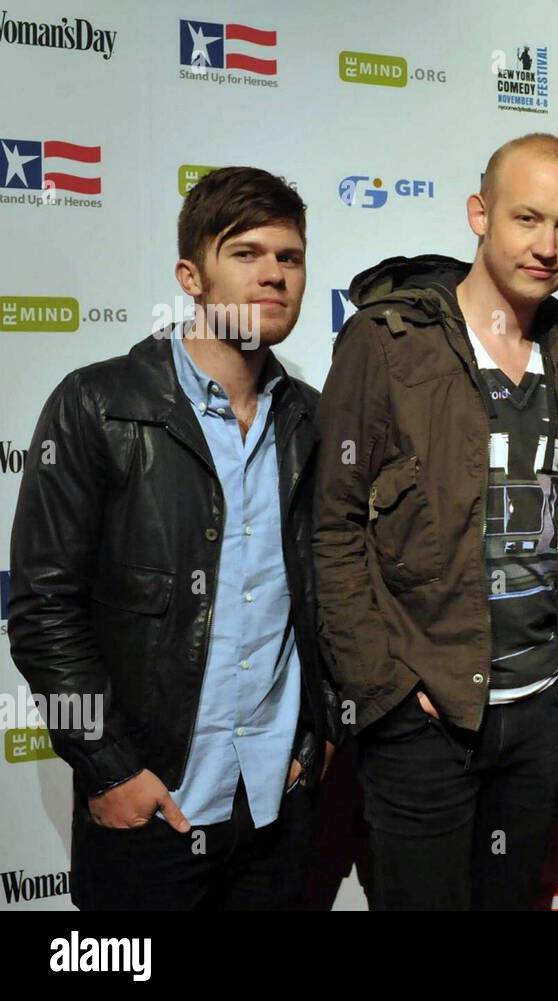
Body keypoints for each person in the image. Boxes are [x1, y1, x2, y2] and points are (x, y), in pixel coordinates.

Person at [8, 166, 342, 909]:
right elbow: (42, 610)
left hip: (274, 806)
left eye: (290, 258)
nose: (274, 276)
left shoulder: (312, 421)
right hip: (152, 807)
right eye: (247, 254)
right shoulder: (99, 405)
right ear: (190, 275)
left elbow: (324, 591)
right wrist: (110, 769)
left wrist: (309, 739)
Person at [312, 133, 558, 910]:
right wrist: (387, 686)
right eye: (526, 218)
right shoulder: (386, 343)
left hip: (539, 712)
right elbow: (333, 525)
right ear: (480, 215)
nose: (546, 246)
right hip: (426, 718)